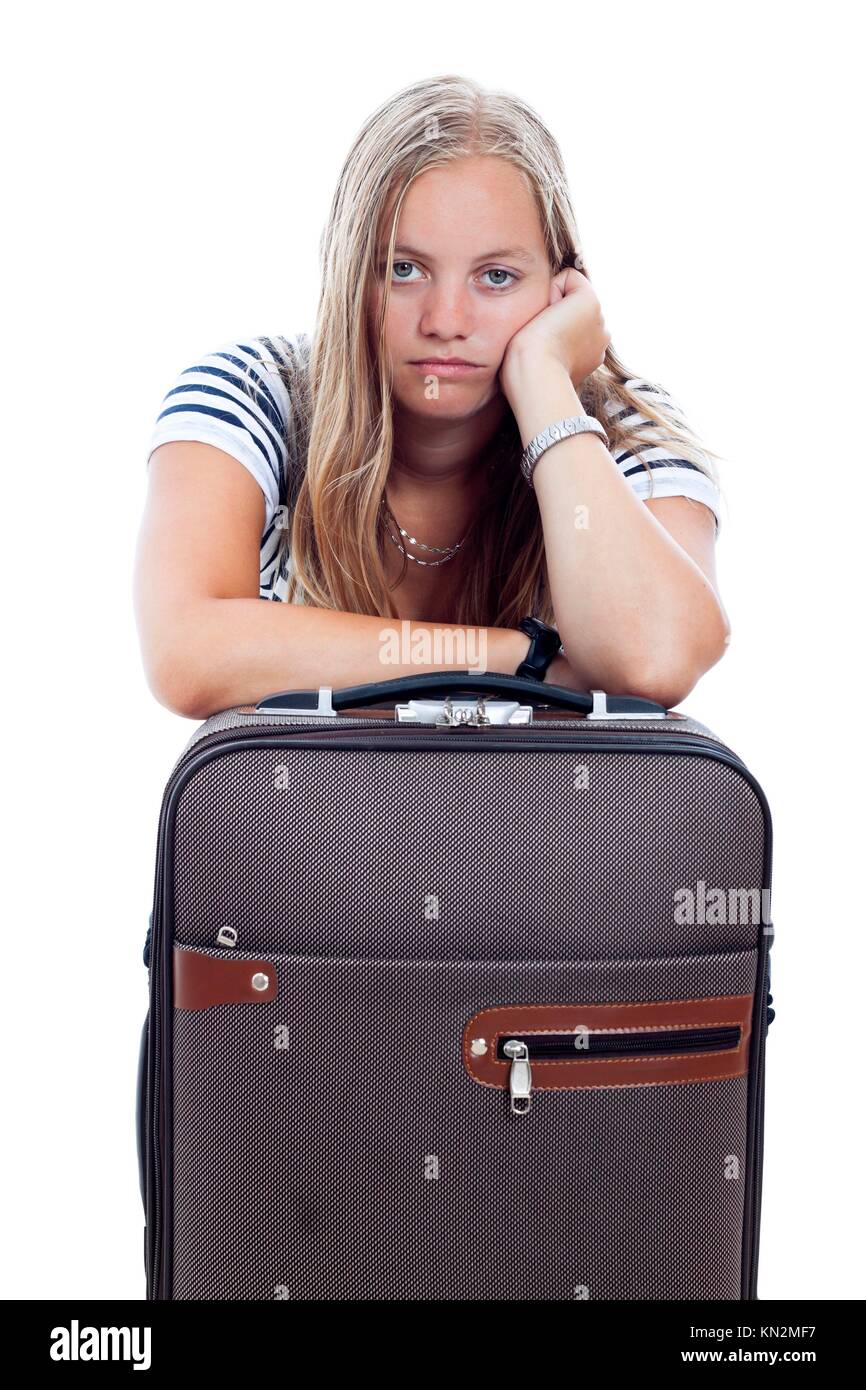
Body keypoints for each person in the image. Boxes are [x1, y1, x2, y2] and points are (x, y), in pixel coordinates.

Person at [134, 74, 730, 720]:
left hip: (546, 823)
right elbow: (185, 651)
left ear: (563, 287)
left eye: (496, 277)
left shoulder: (625, 432)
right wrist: (516, 660)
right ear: (348, 277)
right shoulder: (255, 394)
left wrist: (542, 382)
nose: (446, 319)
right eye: (403, 269)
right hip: (306, 822)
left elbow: (655, 657)